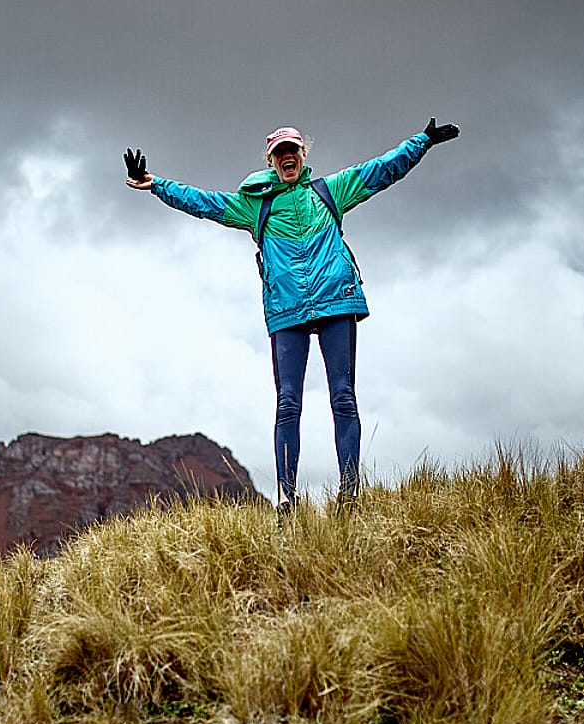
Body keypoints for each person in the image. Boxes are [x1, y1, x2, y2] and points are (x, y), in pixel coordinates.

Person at [123, 118, 459, 513]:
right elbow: (204, 202)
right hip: (287, 309)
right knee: (287, 403)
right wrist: (157, 184)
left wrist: (422, 142)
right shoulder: (255, 206)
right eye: (280, 153)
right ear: (271, 160)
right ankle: (286, 498)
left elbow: (381, 170)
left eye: (293, 151)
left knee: (344, 398)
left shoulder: (330, 191)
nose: (288, 158)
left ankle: (349, 493)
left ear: (303, 155)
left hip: (337, 299)